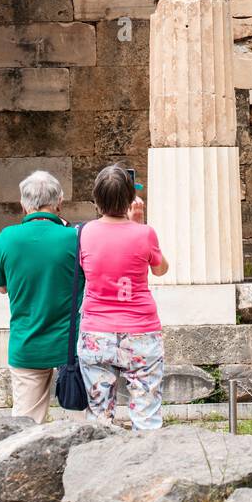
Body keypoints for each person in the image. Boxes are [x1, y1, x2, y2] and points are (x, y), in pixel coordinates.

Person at [77, 165, 169, 430]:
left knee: (99, 416)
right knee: (147, 412)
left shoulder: (83, 233)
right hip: (140, 331)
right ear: (131, 199)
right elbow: (160, 269)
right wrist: (138, 226)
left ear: (96, 200)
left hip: (96, 332)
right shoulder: (145, 233)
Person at [0, 171, 82, 424]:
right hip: (69, 345)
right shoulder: (74, 237)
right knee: (83, 426)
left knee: (26, 425)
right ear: (59, 202)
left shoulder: (7, 237)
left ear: (23, 204)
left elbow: (1, 287)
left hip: (26, 342)